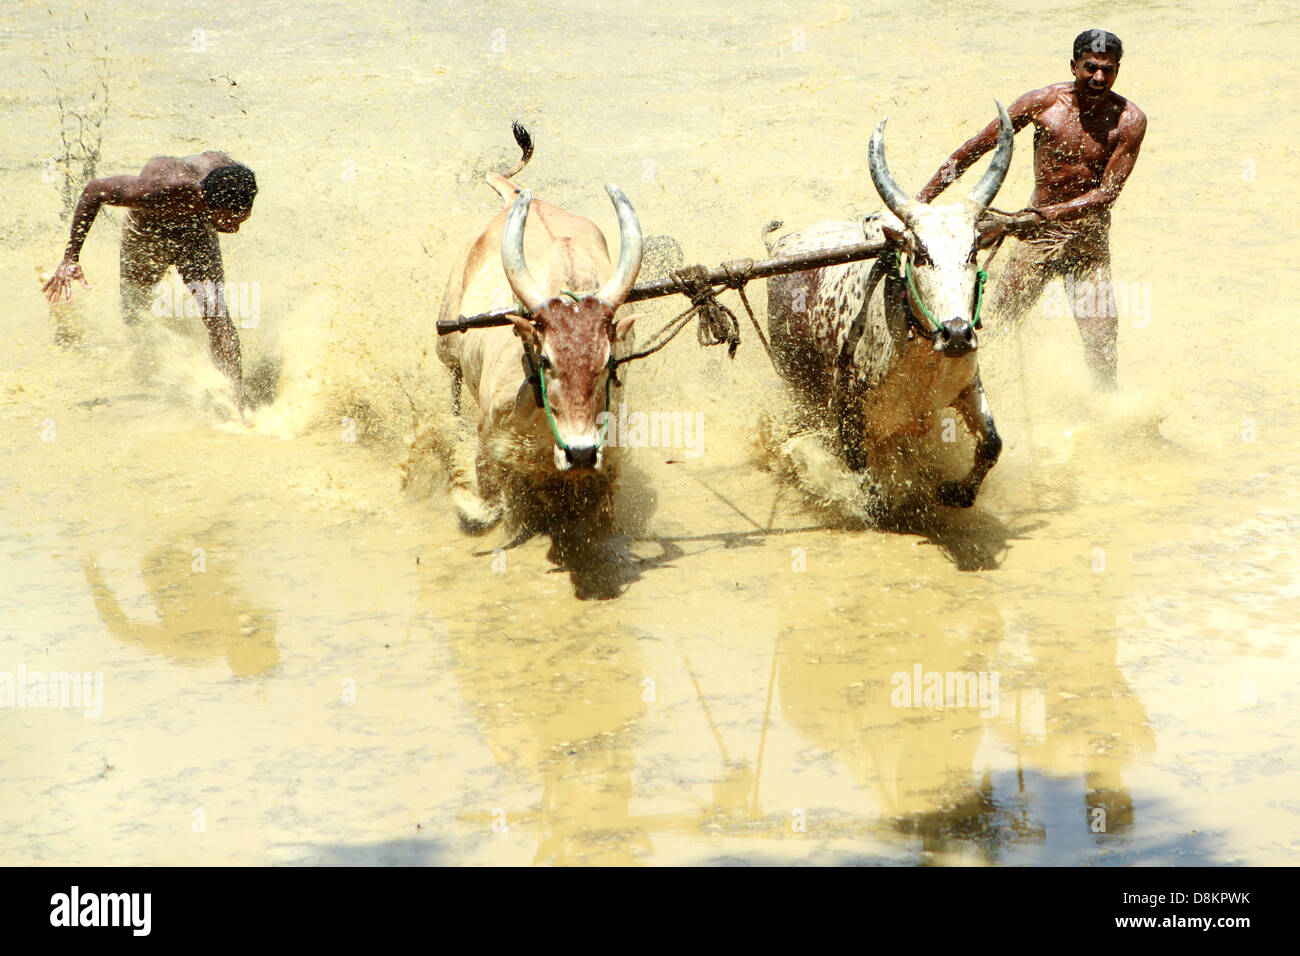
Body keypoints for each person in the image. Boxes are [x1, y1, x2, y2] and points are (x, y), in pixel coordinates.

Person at [917, 29, 1146, 390]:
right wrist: (920, 203)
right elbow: (976, 148)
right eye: (1090, 67)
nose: (1099, 77)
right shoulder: (1044, 103)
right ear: (1074, 66)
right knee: (993, 326)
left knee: (1102, 343)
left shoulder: (1129, 120)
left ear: (1118, 70)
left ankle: (1111, 425)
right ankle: (964, 396)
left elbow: (1106, 194)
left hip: (1087, 245)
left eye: (1108, 69)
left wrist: (1039, 217)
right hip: (1035, 241)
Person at [43, 151, 257, 413]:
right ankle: (142, 366)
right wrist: (70, 258)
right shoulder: (161, 188)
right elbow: (94, 190)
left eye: (241, 219)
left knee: (216, 314)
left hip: (197, 232)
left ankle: (233, 401)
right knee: (135, 311)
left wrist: (216, 220)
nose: (235, 229)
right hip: (148, 232)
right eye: (231, 220)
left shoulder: (231, 176)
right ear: (206, 200)